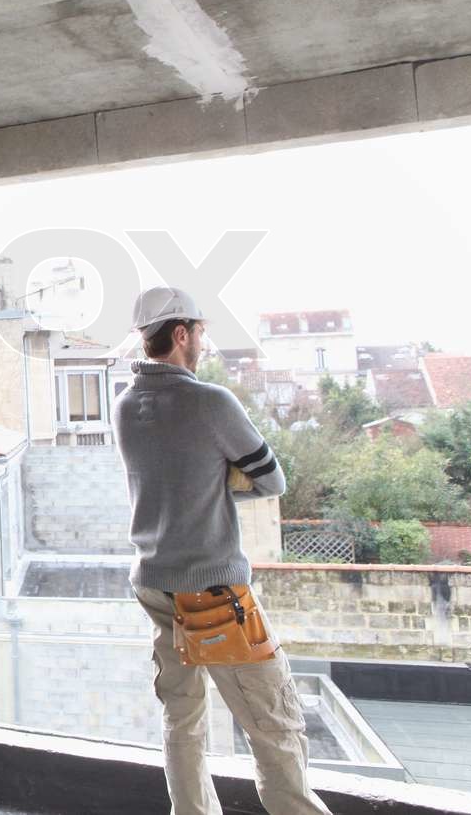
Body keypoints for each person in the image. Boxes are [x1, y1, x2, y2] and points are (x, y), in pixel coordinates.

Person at [115, 286, 331, 815]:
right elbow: (271, 481)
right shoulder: (210, 402)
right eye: (202, 333)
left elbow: (170, 476)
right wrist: (219, 478)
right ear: (182, 333)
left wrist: (202, 478)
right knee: (273, 722)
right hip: (210, 588)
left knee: (182, 718)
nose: (205, 344)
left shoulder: (125, 405)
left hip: (153, 581)